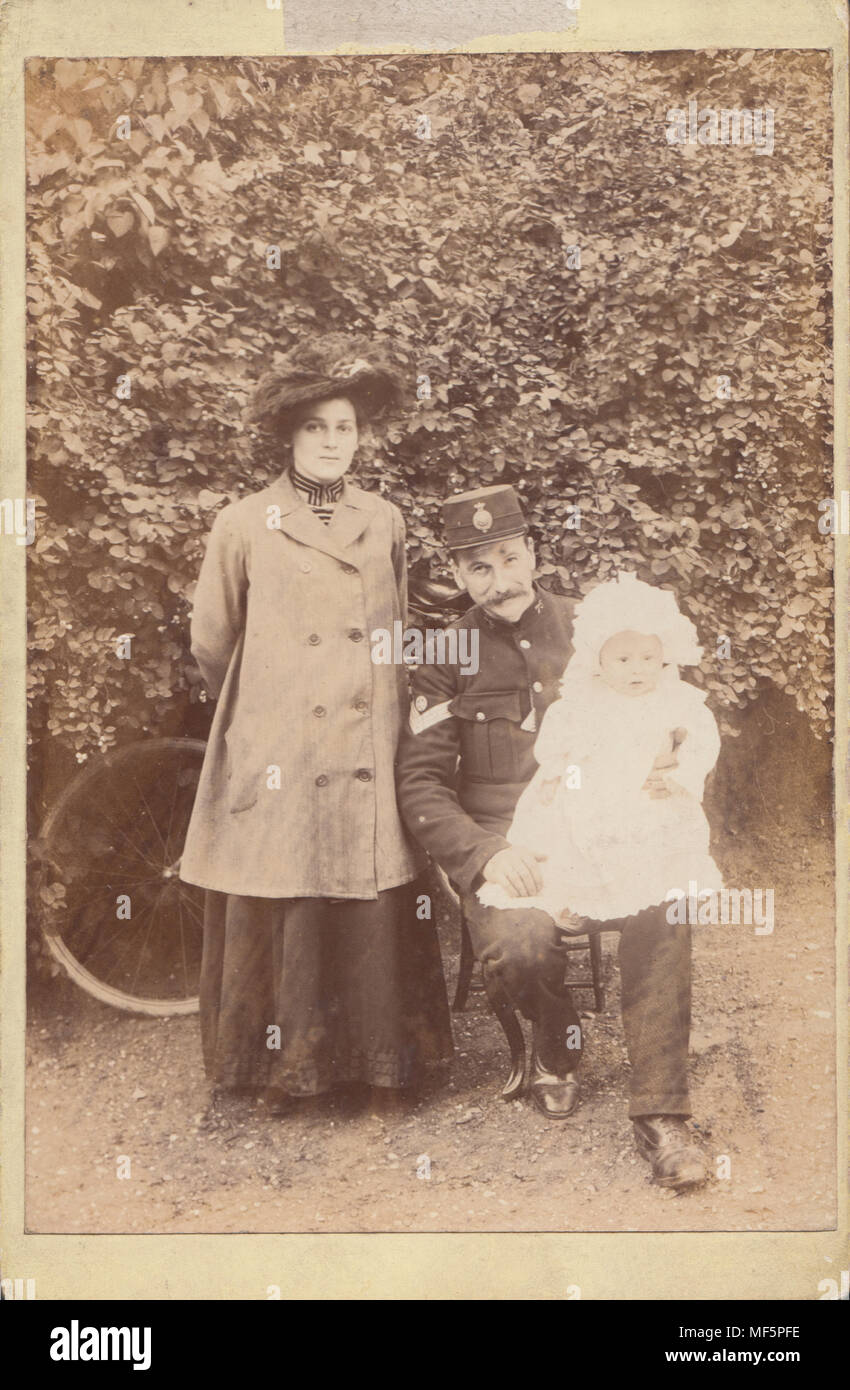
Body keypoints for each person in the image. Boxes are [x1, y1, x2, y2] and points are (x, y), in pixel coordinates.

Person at [396, 485, 709, 1188]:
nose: (500, 580)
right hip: (510, 841)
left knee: (666, 906)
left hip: (613, 826)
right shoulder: (444, 653)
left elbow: (675, 708)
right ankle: (556, 1036)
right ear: (458, 572)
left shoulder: (594, 631)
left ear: (533, 551)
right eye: (479, 567)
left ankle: (661, 1116)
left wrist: (672, 756)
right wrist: (485, 854)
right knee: (522, 943)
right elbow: (420, 784)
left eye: (510, 557)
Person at [180, 335, 452, 1114]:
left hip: (364, 739)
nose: (334, 443)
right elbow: (214, 641)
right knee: (288, 890)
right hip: (281, 746)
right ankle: (279, 1075)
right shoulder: (243, 522)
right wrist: (269, 704)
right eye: (317, 429)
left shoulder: (386, 519)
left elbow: (393, 629)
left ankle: (377, 1071)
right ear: (289, 436)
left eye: (346, 429)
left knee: (364, 894)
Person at [477, 571, 723, 929]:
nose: (637, 670)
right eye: (623, 660)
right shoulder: (584, 701)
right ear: (600, 661)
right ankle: (572, 898)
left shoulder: (674, 699)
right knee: (565, 833)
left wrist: (681, 775)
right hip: (591, 796)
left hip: (648, 798)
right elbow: (558, 745)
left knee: (657, 857)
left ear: (663, 656)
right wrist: (557, 774)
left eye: (648, 658)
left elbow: (703, 741)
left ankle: (650, 901)